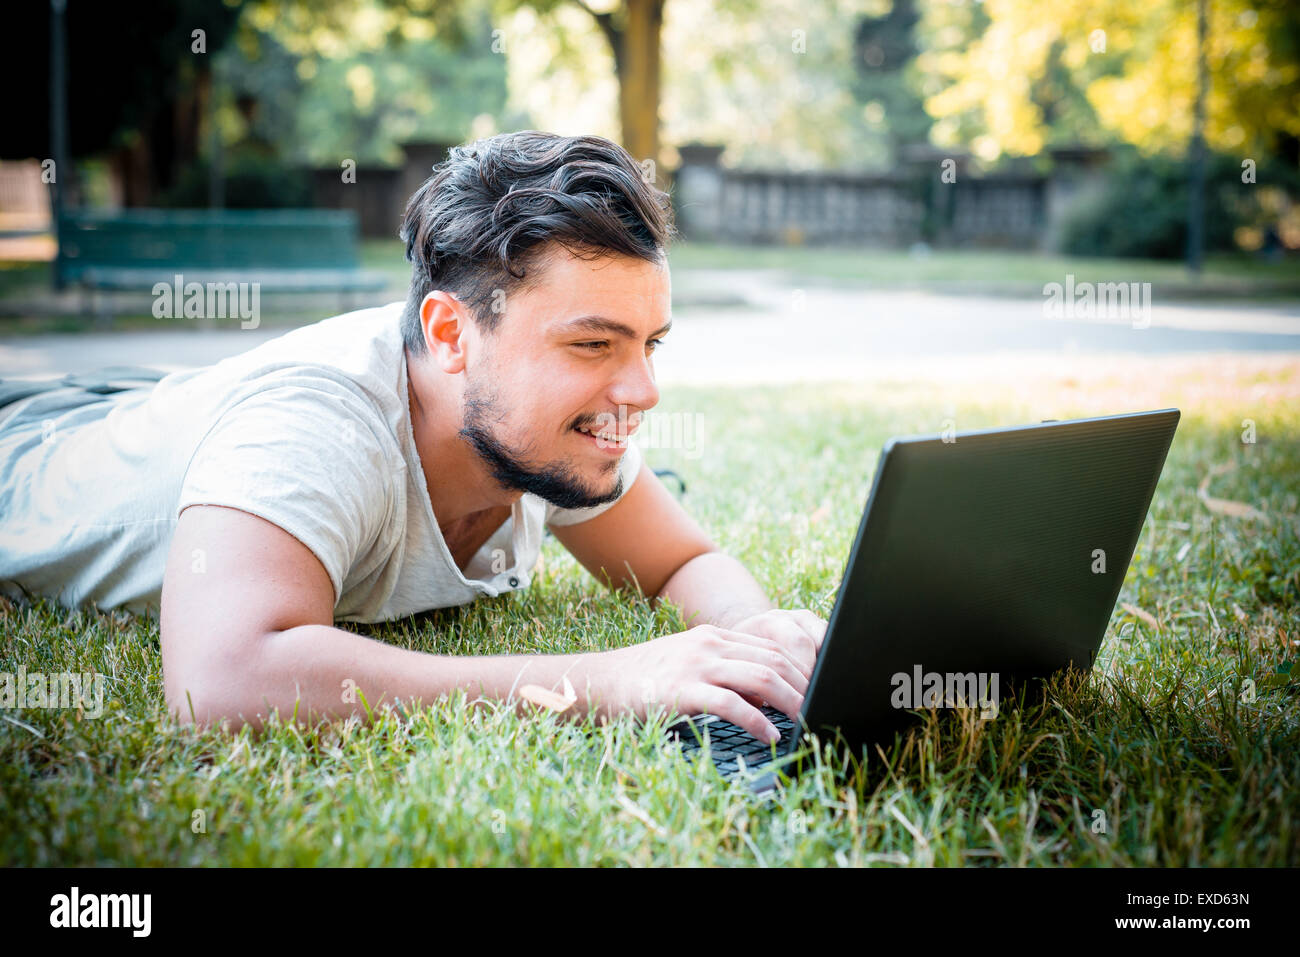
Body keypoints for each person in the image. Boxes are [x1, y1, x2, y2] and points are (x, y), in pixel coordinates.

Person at [0, 130, 825, 743]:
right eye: (592, 344)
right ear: (453, 335)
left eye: (650, 344)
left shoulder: (546, 428)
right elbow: (220, 682)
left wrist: (757, 641)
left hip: (126, 405)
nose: (642, 390)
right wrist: (609, 678)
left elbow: (682, 561)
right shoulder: (318, 419)